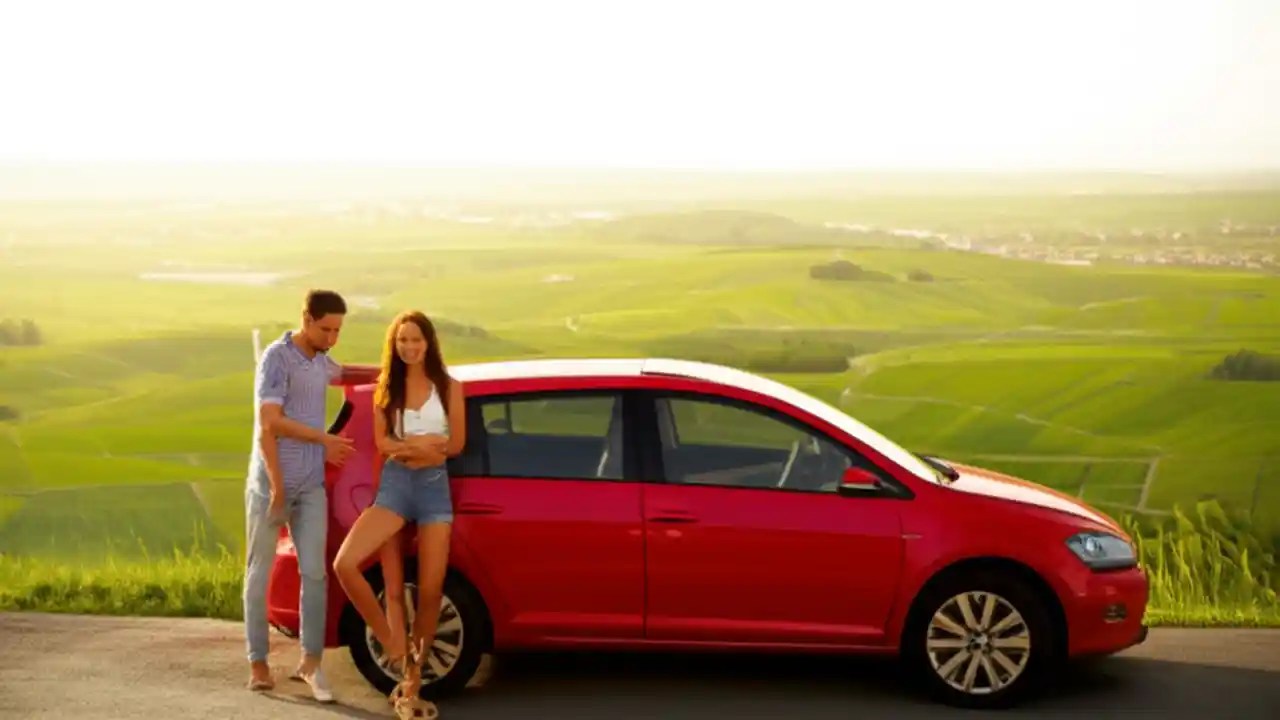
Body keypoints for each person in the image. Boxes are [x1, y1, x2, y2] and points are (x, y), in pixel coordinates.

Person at [333, 310, 465, 720]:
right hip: (394, 488)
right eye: (403, 340)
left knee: (429, 593)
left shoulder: (449, 387)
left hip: (433, 491)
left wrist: (418, 448)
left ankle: (412, 682)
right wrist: (422, 447)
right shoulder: (386, 390)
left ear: (429, 343)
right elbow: (383, 443)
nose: (410, 347)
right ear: (395, 344)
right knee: (346, 564)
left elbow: (457, 444)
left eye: (416, 340)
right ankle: (391, 641)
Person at [243, 289, 355, 701]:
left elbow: (347, 373)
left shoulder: (321, 360)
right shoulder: (277, 359)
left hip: (310, 486)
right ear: (306, 319)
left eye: (338, 330)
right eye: (326, 328)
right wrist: (276, 485)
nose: (332, 337)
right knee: (259, 574)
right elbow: (269, 423)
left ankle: (310, 663)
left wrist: (404, 368)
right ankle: (258, 662)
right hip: (270, 486)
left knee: (315, 574)